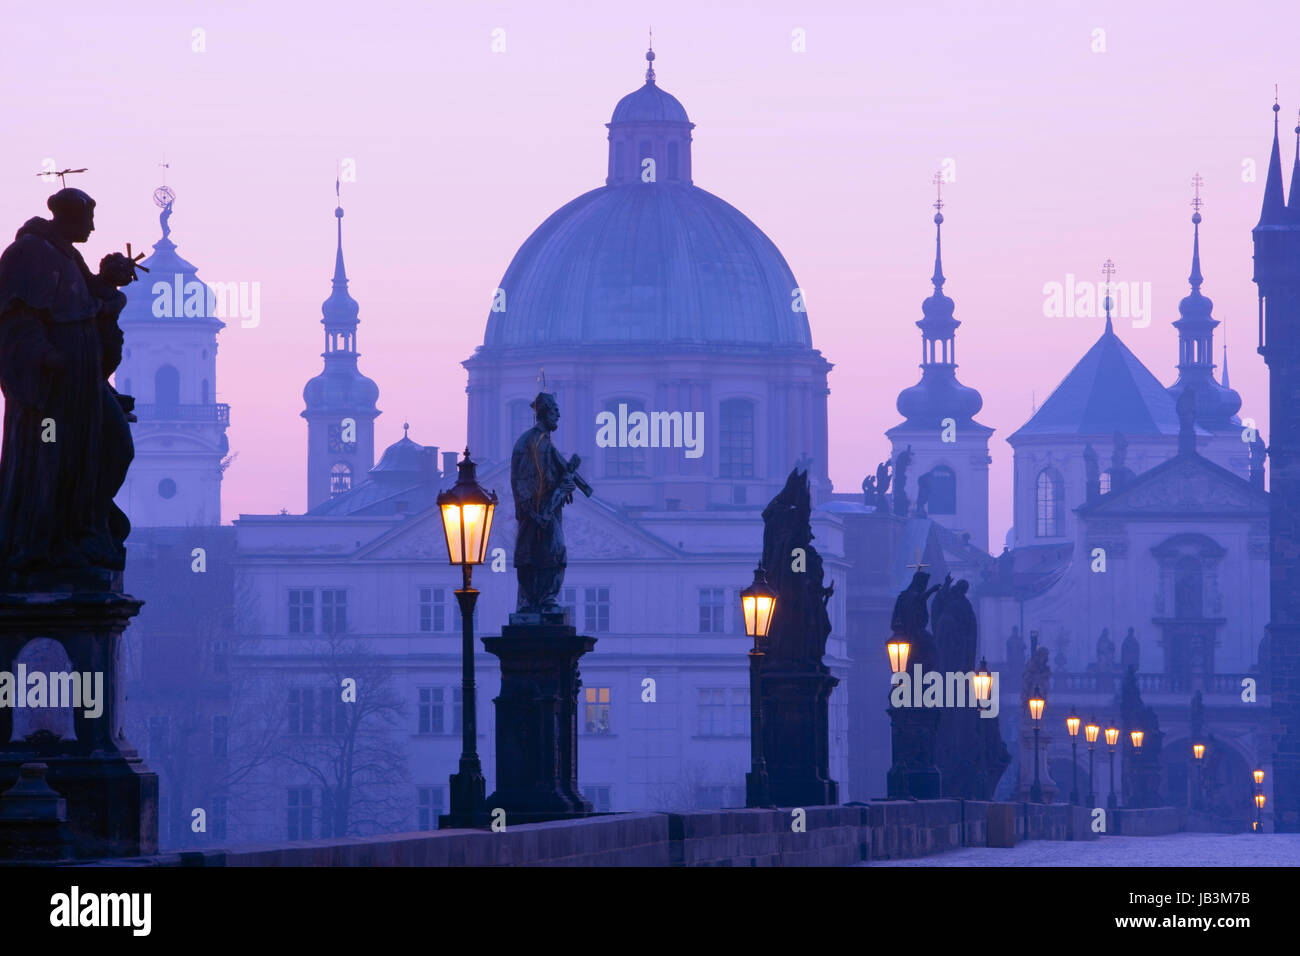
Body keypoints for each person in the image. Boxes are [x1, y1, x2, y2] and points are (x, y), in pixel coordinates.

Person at [0, 188, 138, 580]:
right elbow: (16, 318)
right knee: (51, 455)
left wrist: (110, 281)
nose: (94, 227)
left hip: (83, 385)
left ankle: (85, 528)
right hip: (52, 394)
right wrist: (45, 357)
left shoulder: (69, 256)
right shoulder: (30, 253)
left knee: (113, 447)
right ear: (68, 216)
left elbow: (93, 306)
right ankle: (44, 542)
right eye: (88, 218)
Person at [511, 392, 577, 613]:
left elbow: (553, 473)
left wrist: (565, 485)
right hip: (537, 511)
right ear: (545, 411)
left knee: (554, 552)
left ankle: (546, 598)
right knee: (538, 553)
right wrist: (534, 511)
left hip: (548, 508)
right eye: (554, 410)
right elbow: (523, 479)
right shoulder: (531, 441)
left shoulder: (545, 442)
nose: (558, 414)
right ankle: (537, 600)